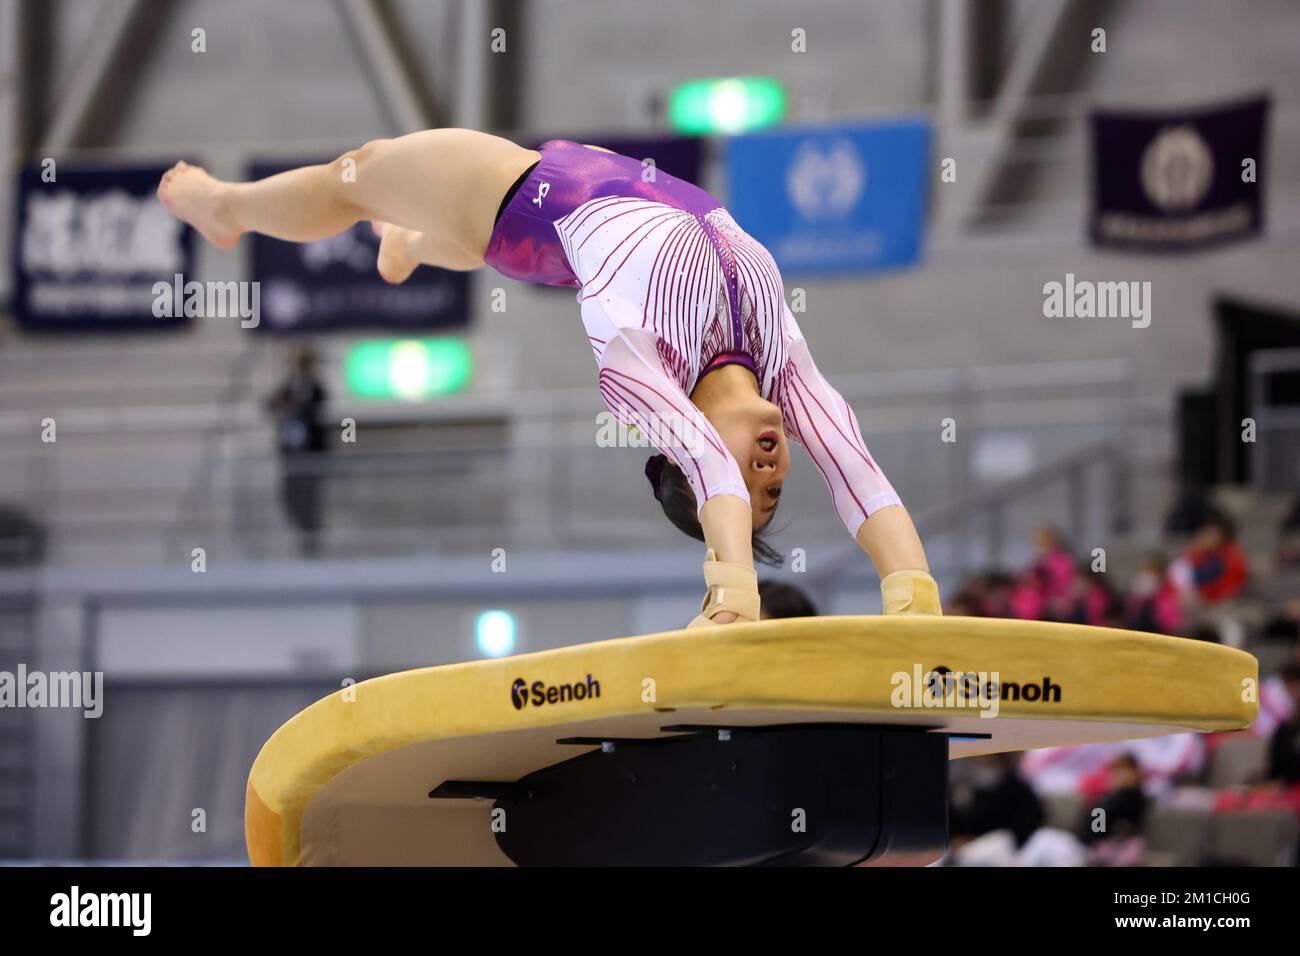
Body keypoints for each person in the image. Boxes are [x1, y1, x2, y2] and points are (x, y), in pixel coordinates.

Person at [158, 130, 939, 625]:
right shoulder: (781, 366)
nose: (770, 476)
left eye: (751, 491)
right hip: (579, 192)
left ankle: (227, 209)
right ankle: (407, 244)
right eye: (778, 490)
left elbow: (709, 467)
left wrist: (732, 597)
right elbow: (859, 471)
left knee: (348, 177)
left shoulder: (636, 365)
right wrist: (913, 596)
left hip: (520, 200)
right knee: (436, 222)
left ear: (681, 454)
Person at [265, 344, 328, 556]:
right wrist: (284, 406)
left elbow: (318, 410)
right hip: (291, 454)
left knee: (311, 500)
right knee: (290, 497)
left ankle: (311, 544)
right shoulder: (288, 386)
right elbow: (269, 404)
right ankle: (303, 537)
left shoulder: (316, 389)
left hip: (310, 455)